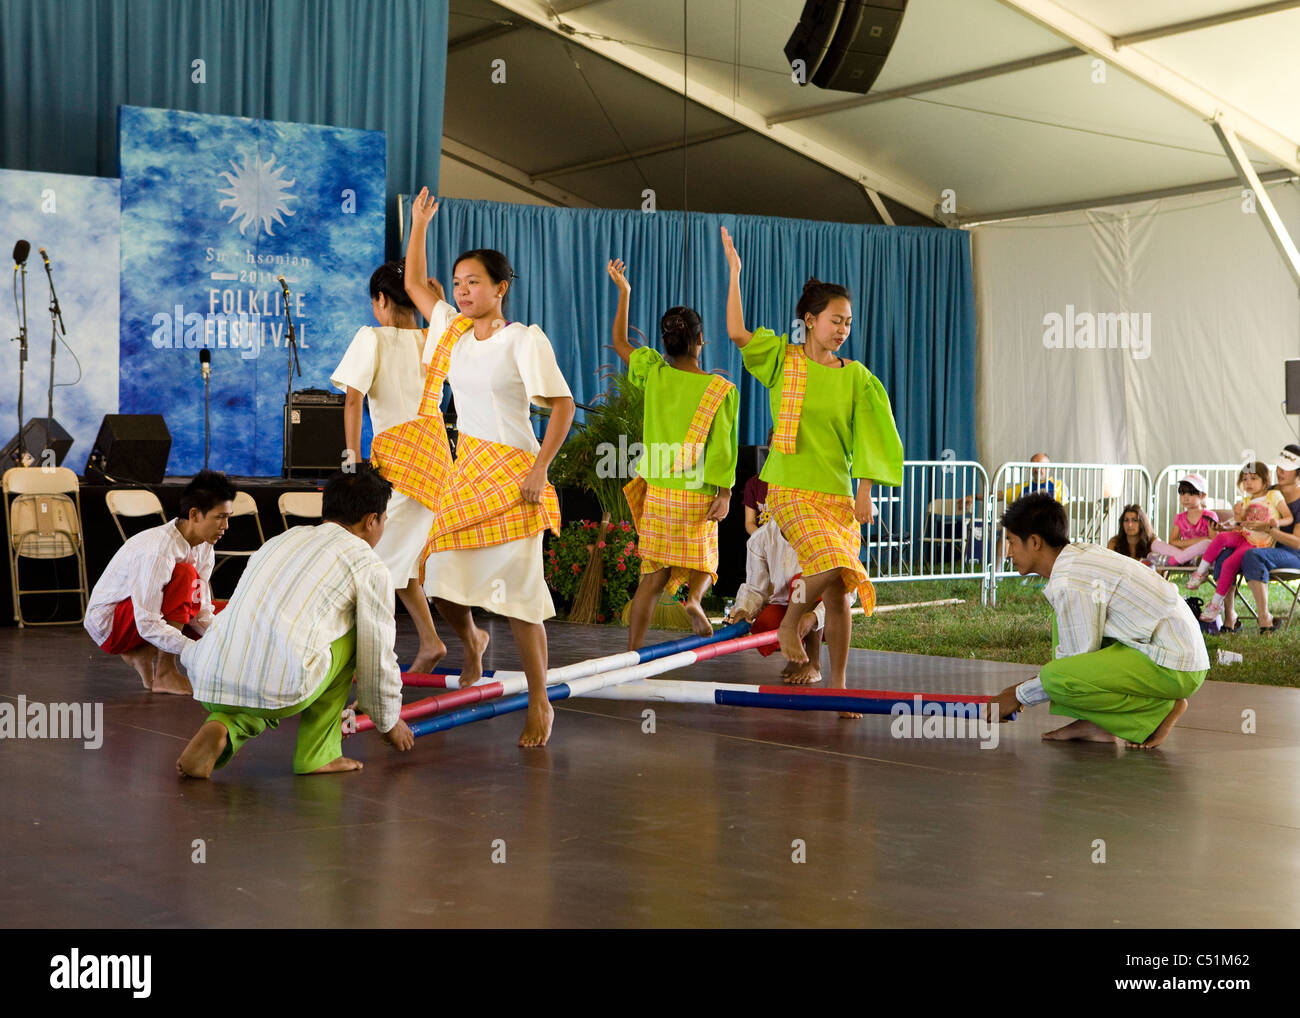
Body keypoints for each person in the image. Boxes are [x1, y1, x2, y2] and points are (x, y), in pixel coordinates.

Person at [404, 188, 576, 748]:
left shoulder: (522, 341)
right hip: (468, 466)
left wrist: (540, 471)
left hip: (514, 471)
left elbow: (563, 406)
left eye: (474, 282)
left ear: (500, 288)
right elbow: (413, 285)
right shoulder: (453, 333)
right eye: (457, 284)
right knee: (436, 571)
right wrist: (418, 227)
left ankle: (540, 702)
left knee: (523, 596)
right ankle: (472, 641)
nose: (462, 291)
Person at [721, 226, 904, 717]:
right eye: (835, 320)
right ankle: (792, 620)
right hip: (790, 488)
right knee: (825, 562)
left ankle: (839, 688)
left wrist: (865, 492)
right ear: (809, 320)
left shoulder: (859, 379)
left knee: (841, 590)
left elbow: (873, 437)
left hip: (837, 494)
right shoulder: (784, 359)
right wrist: (736, 273)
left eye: (848, 321)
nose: (843, 328)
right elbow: (737, 332)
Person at [176, 466, 414, 778]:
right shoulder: (367, 563)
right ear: (372, 520)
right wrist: (388, 718)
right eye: (384, 519)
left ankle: (223, 727)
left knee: (272, 646)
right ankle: (318, 754)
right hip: (282, 686)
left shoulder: (283, 539)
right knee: (360, 633)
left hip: (211, 674)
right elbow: (377, 652)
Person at [986, 494, 1208, 748]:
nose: (1009, 552)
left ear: (1035, 542)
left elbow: (1073, 667)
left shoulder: (1070, 580)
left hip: (1176, 665)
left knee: (1057, 677)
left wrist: (1018, 695)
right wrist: (1018, 691)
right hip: (1171, 653)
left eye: (1012, 542)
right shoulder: (1075, 556)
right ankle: (1101, 724)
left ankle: (1159, 710)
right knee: (1063, 642)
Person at [606, 258, 737, 649]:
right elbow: (723, 448)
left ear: (664, 344)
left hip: (660, 491)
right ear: (701, 342)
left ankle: (632, 653)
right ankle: (694, 598)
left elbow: (619, 343)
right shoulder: (721, 390)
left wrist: (624, 293)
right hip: (696, 492)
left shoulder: (654, 371)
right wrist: (725, 493)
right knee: (704, 561)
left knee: (653, 577)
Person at [332, 260, 448, 674]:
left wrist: (351, 461)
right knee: (404, 557)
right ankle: (433, 642)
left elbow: (352, 399)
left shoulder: (372, 337)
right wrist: (439, 303)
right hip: (435, 454)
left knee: (377, 562)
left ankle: (370, 665)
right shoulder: (431, 335)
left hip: (398, 458)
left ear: (380, 300)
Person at [84, 470, 234, 695]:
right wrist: (194, 651)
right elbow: (147, 622)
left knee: (233, 613)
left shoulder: (204, 546)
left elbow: (200, 611)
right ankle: (165, 673)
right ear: (195, 515)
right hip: (111, 624)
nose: (226, 526)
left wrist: (226, 644)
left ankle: (142, 653)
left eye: (228, 517)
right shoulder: (158, 551)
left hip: (139, 618)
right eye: (220, 517)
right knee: (185, 575)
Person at [725, 518, 831, 684]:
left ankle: (813, 663)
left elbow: (847, 594)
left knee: (802, 583)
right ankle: (796, 657)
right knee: (766, 622)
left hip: (824, 610)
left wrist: (813, 617)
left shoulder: (821, 533)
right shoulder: (760, 538)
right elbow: (755, 588)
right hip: (786, 608)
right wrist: (743, 610)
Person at [1187, 461, 1293, 623]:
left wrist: (1276, 523)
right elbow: (1238, 524)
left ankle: (1216, 604)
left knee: (1229, 563)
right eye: (1245, 479)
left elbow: (1289, 517)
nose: (1248, 482)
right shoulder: (1245, 501)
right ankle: (1200, 573)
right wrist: (1226, 525)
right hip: (1244, 536)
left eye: (1253, 478)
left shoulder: (1274, 496)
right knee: (1221, 538)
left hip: (1258, 543)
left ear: (1265, 481)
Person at [1215, 445, 1300, 632]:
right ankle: (1230, 616)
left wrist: (1270, 530)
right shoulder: (1268, 491)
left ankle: (1265, 618)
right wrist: (1236, 518)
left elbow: (1297, 542)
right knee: (1225, 553)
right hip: (1263, 546)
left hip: (1293, 554)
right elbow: (1246, 521)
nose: (1280, 471)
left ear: (1297, 472)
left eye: (1286, 468)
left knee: (1253, 555)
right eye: (1279, 467)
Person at [1144, 473, 1219, 567]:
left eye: (1191, 493)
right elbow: (1172, 541)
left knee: (1206, 543)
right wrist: (1194, 545)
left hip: (1204, 555)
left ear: (1203, 496)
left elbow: (1213, 541)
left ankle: (1175, 560)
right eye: (1182, 493)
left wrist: (1186, 545)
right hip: (1184, 552)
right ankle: (1188, 560)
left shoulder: (1210, 516)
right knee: (1155, 544)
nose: (1186, 498)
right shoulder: (1180, 518)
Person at [743, 429, 775, 536]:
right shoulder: (753, 484)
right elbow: (749, 523)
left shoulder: (798, 484)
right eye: (775, 445)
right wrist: (763, 541)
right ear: (769, 447)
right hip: (763, 545)